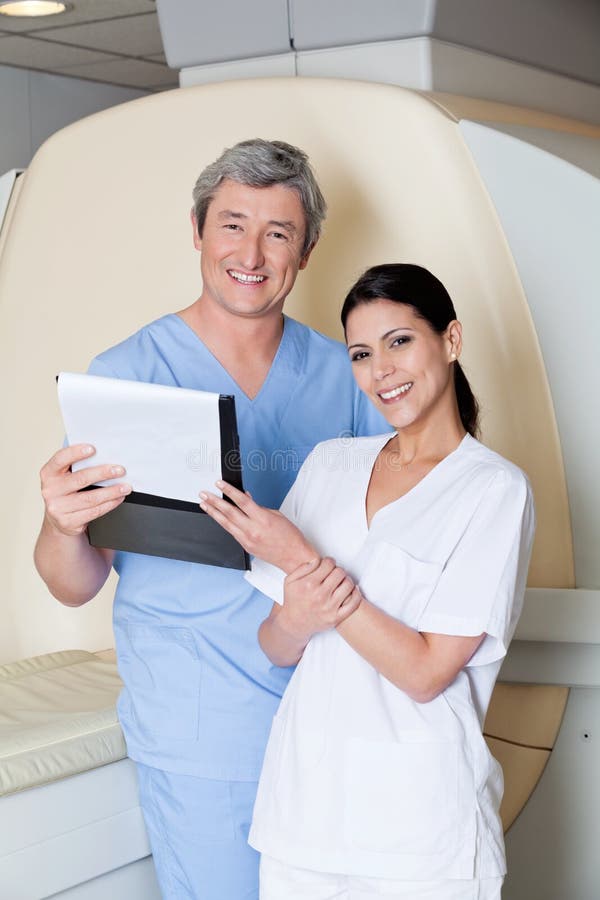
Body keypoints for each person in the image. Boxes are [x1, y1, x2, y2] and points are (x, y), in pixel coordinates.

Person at [33, 139, 387, 900]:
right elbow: (73, 586)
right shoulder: (130, 375)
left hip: (334, 707)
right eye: (231, 225)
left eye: (278, 232)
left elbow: (393, 536)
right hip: (199, 724)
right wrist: (62, 526)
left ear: (308, 249)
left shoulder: (351, 376)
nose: (250, 253)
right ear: (197, 232)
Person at [200, 263, 536, 900]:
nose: (381, 370)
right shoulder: (332, 463)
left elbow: (426, 671)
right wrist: (298, 613)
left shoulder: (492, 490)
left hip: (420, 832)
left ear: (452, 341)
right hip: (302, 818)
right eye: (360, 353)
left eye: (400, 341)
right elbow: (274, 646)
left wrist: (305, 563)